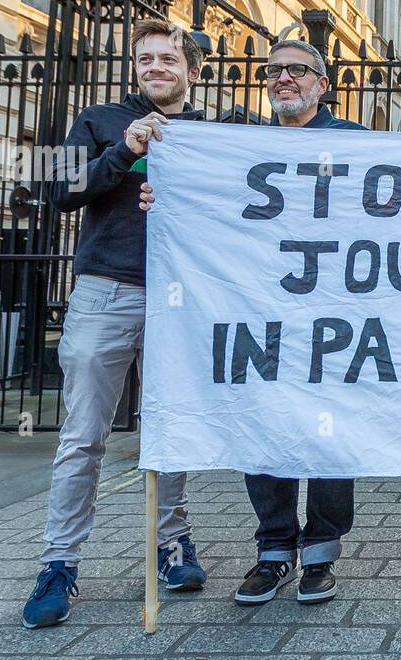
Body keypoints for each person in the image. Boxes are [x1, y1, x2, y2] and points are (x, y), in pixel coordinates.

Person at [140, 39, 366, 606]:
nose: (283, 79)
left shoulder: (359, 143)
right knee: (261, 422)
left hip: (335, 314)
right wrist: (163, 193)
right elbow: (204, 205)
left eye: (296, 70)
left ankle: (320, 551)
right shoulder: (237, 145)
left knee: (331, 428)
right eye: (274, 71)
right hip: (258, 312)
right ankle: (273, 549)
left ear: (323, 83)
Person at [23, 19, 208, 629]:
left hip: (179, 299)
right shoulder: (101, 121)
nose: (156, 68)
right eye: (146, 59)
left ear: (193, 70)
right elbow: (60, 189)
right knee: (83, 434)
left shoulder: (212, 133)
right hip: (107, 291)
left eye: (169, 59)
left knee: (171, 426)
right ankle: (59, 562)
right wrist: (124, 151)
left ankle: (172, 542)